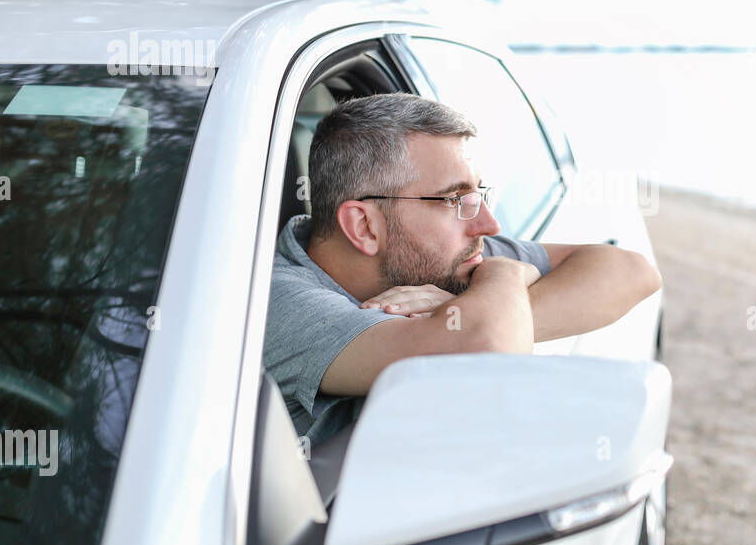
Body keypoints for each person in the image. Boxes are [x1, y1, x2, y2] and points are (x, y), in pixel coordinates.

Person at [263, 92, 662, 444]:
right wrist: (504, 280)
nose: (489, 225)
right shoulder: (275, 305)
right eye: (455, 200)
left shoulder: (448, 256)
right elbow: (490, 354)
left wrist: (482, 315)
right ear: (364, 226)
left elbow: (633, 271)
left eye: (478, 195)